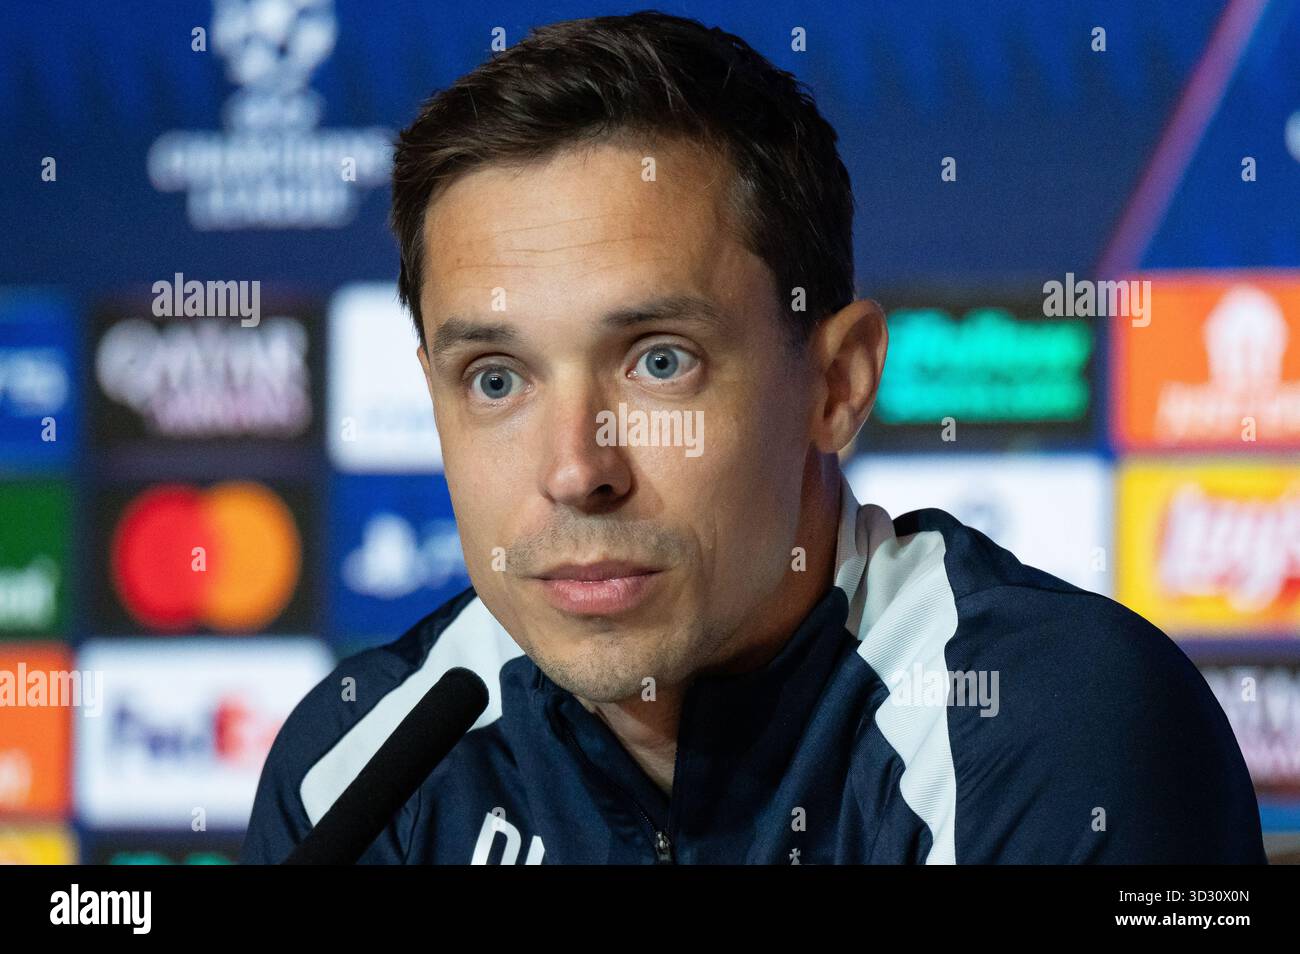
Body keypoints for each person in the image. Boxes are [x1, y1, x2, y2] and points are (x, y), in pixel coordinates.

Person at [241, 10, 1265, 864]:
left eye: (658, 360)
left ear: (838, 383)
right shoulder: (361, 767)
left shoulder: (1052, 731)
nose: (574, 470)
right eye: (495, 379)